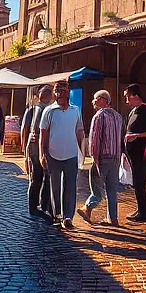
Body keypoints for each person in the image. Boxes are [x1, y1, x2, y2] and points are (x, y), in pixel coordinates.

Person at [41, 86, 86, 227]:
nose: (59, 94)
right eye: (56, 91)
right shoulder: (49, 111)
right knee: (55, 186)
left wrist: (83, 151)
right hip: (53, 153)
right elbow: (43, 134)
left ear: (67, 93)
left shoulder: (75, 110)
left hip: (71, 153)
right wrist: (42, 153)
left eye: (62, 91)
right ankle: (57, 214)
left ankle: (68, 217)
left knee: (70, 186)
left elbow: (79, 131)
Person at [83, 90, 126, 227]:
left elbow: (95, 140)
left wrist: (94, 158)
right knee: (111, 188)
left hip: (102, 157)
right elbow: (122, 138)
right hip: (115, 156)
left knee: (96, 186)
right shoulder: (118, 117)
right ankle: (113, 218)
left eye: (95, 99)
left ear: (102, 100)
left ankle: (88, 208)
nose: (93, 102)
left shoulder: (99, 116)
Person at [123, 85, 146, 222]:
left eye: (128, 97)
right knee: (136, 183)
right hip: (132, 154)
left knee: (140, 183)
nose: (127, 101)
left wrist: (137, 135)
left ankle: (144, 213)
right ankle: (140, 209)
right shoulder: (133, 111)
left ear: (135, 96)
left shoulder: (145, 110)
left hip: (141, 153)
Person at [23, 85, 55, 219]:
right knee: (37, 178)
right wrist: (25, 151)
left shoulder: (52, 110)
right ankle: (35, 207)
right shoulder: (34, 110)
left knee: (45, 179)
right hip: (36, 150)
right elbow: (26, 130)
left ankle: (44, 206)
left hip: (46, 149)